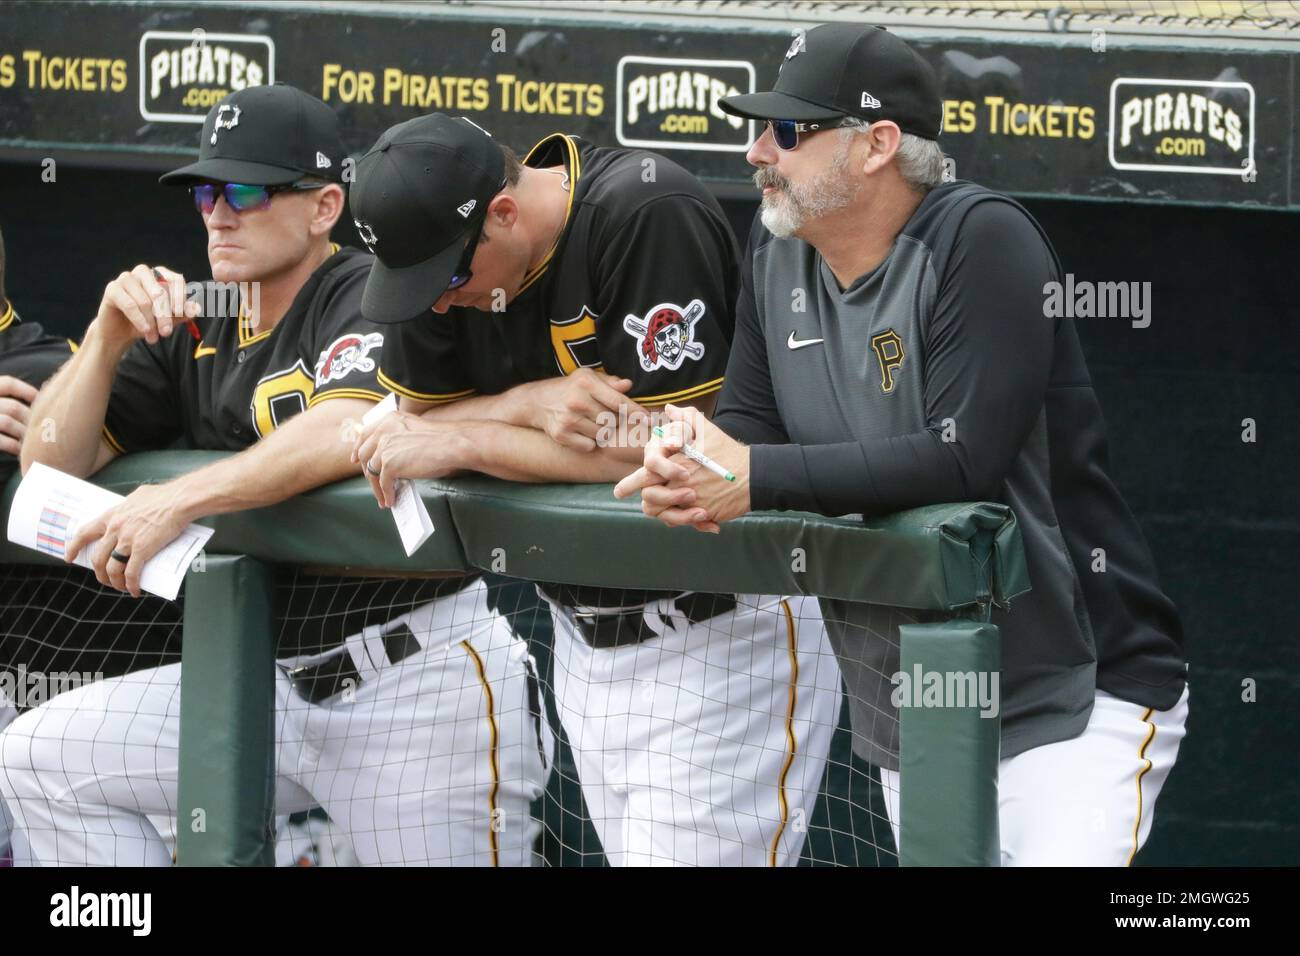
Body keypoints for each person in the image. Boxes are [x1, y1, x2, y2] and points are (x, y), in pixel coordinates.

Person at [615, 22, 1188, 866]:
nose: (754, 153)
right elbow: (747, 428)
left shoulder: (981, 238)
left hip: (1073, 692)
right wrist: (690, 461)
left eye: (785, 131)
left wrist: (751, 477)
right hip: (916, 702)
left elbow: (962, 459)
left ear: (878, 143)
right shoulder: (778, 256)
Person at [0, 85, 552, 867]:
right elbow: (46, 468)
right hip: (267, 681)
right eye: (205, 189)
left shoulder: (373, 286)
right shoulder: (195, 315)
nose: (218, 212)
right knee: (44, 759)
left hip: (413, 683)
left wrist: (184, 496)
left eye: (249, 190)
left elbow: (344, 429)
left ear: (325, 205)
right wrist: (105, 337)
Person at [348, 113, 842, 866]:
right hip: (578, 647)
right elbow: (411, 416)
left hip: (717, 633)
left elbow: (683, 451)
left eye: (449, 279)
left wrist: (473, 437)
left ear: (504, 214)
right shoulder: (449, 272)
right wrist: (531, 402)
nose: (440, 305)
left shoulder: (644, 212)